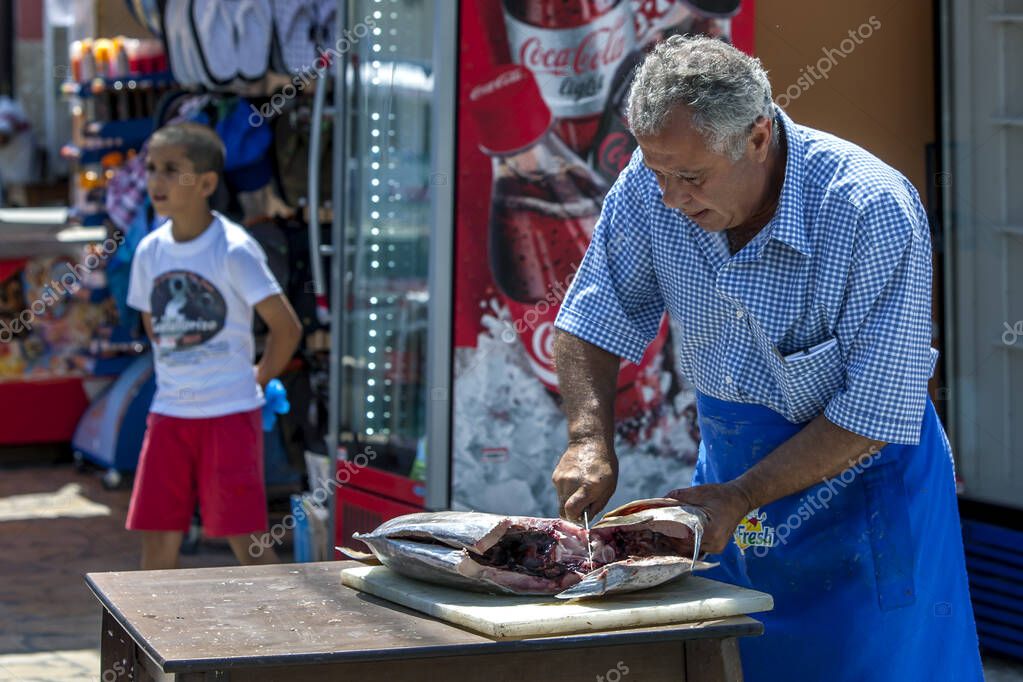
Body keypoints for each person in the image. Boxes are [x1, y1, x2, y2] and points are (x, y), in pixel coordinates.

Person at [551, 36, 983, 681]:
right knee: (737, 660)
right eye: (658, 172)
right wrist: (588, 439)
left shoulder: (870, 207)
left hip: (865, 489)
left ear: (757, 138)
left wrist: (741, 495)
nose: (670, 197)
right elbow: (593, 317)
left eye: (691, 178)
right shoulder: (650, 185)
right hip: (733, 497)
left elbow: (876, 407)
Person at [126, 122, 302, 570]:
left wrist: (258, 379)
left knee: (248, 539)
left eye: (171, 169)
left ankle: (286, 633)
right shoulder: (148, 252)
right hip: (167, 416)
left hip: (230, 415)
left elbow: (286, 328)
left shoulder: (235, 249)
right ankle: (152, 635)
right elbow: (153, 327)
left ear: (206, 183)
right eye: (150, 168)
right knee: (158, 538)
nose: (156, 180)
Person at [0, 96, 39, 206]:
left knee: (19, 184)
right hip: (9, 154)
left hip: (18, 151)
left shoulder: (5, 106)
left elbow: (3, 135)